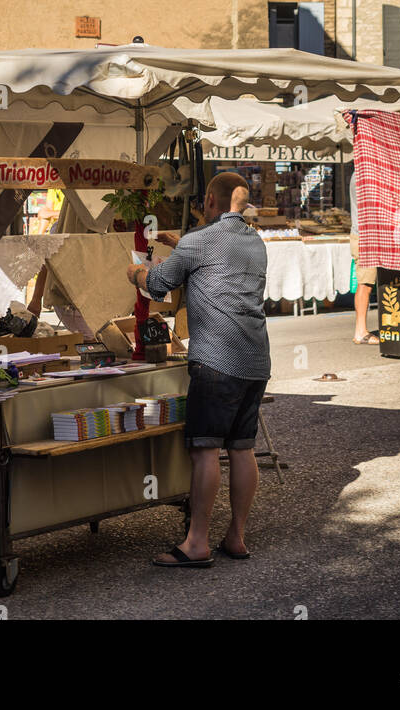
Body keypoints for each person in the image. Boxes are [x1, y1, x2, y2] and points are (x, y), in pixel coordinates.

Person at [128, 172, 270, 568]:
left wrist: (135, 272)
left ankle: (197, 543)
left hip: (217, 360)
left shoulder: (199, 242)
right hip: (256, 358)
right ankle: (237, 537)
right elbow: (215, 261)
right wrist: (180, 246)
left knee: (205, 448)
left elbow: (158, 284)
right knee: (242, 449)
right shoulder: (255, 242)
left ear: (209, 200)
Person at [349, 171, 378, 344]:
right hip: (366, 236)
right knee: (365, 283)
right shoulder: (364, 175)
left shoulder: (358, 173)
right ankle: (360, 331)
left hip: (365, 235)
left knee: (366, 283)